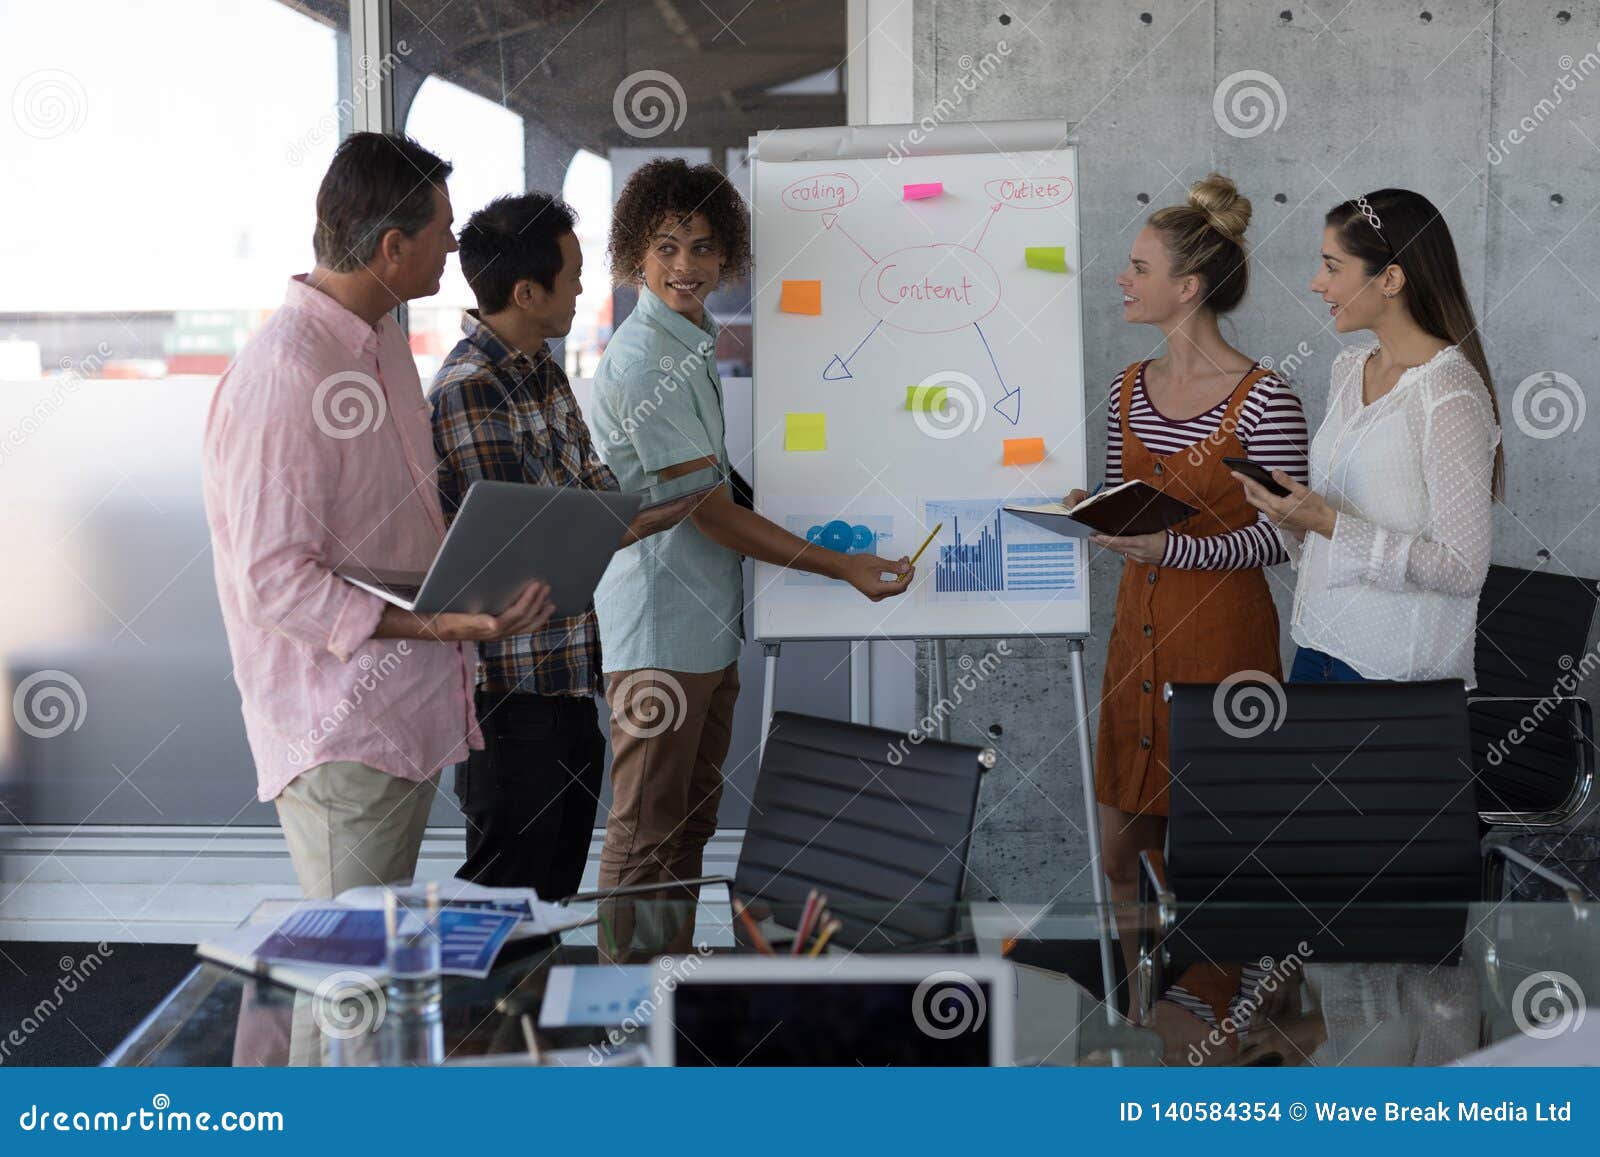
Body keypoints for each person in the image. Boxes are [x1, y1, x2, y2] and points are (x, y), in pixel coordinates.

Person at [203, 133, 553, 907]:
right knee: (346, 988)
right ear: (393, 248)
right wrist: (441, 626)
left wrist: (477, 583)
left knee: (356, 982)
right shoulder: (286, 373)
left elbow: (391, 525)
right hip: (341, 731)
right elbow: (277, 586)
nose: (455, 244)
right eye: (443, 230)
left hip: (406, 715)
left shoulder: (384, 342)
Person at [588, 158, 913, 896]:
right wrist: (840, 565)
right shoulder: (645, 360)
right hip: (659, 631)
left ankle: (663, 993)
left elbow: (712, 490)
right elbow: (707, 513)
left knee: (690, 823)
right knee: (645, 834)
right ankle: (624, 1009)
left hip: (702, 627)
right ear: (634, 252)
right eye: (666, 246)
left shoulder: (689, 340)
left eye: (703, 247)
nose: (686, 265)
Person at [1061, 173, 1309, 1032]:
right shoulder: (1129, 386)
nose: (1122, 280)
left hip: (1224, 642)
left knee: (1213, 849)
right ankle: (1138, 1011)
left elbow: (1284, 536)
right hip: (1137, 638)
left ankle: (1214, 1019)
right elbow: (1124, 497)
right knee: (1122, 847)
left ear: (1188, 287)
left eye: (1138, 267)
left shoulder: (1268, 396)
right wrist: (1088, 511)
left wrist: (1176, 547)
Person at [430, 191, 693, 900]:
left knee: (551, 908)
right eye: (572, 272)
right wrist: (646, 513)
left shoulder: (540, 367)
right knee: (504, 917)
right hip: (511, 702)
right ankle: (488, 1020)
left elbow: (595, 499)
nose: (583, 286)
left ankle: (534, 1019)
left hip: (572, 679)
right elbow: (530, 544)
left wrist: (647, 509)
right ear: (526, 290)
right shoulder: (470, 388)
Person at [1235, 188, 1502, 691]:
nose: (1317, 284)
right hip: (1318, 646)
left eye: (1332, 267)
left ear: (1391, 279)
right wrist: (1296, 518)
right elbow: (1338, 523)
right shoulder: (1348, 369)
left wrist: (1329, 523)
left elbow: (1464, 569)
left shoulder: (1449, 394)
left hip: (1395, 675)